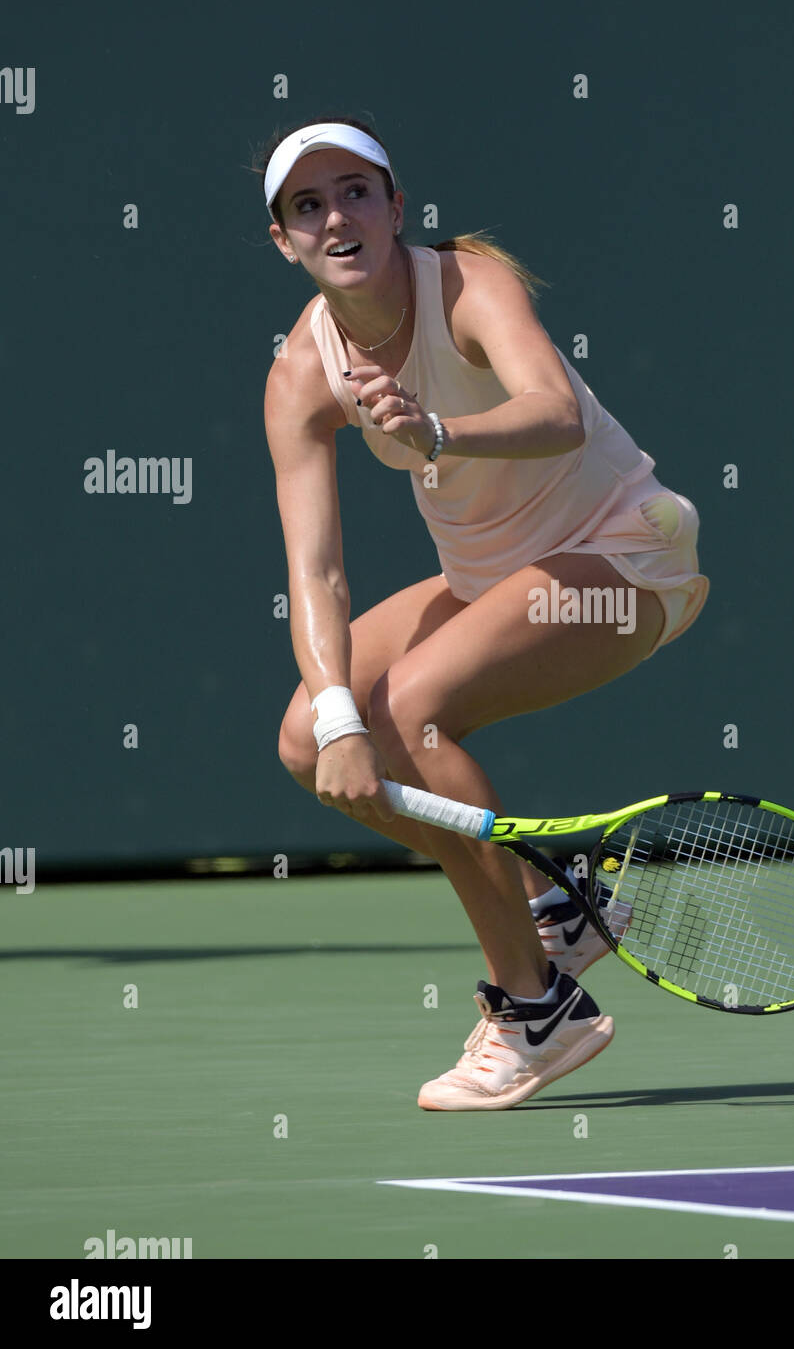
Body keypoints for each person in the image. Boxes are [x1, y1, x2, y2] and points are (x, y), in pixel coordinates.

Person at [258, 116, 708, 1111]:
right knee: (306, 736)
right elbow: (318, 572)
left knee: (412, 708)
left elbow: (558, 409)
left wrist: (436, 429)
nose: (337, 216)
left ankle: (536, 1007)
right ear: (284, 241)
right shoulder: (299, 376)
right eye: (307, 205)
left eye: (355, 191)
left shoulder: (465, 283)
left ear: (395, 205)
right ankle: (552, 901)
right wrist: (337, 714)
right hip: (488, 577)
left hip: (624, 557)